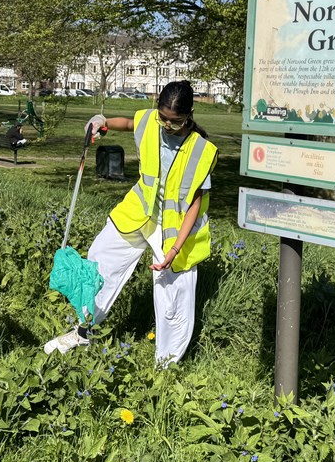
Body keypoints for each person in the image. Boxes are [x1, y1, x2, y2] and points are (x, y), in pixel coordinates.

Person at [45, 80, 218, 365]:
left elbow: (194, 207)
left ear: (190, 115)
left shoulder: (203, 151)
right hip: (139, 211)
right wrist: (103, 122)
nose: (166, 126)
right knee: (101, 261)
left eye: (175, 122)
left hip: (175, 230)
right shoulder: (151, 121)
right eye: (163, 118)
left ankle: (166, 365)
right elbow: (129, 123)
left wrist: (173, 251)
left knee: (173, 293)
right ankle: (84, 331)